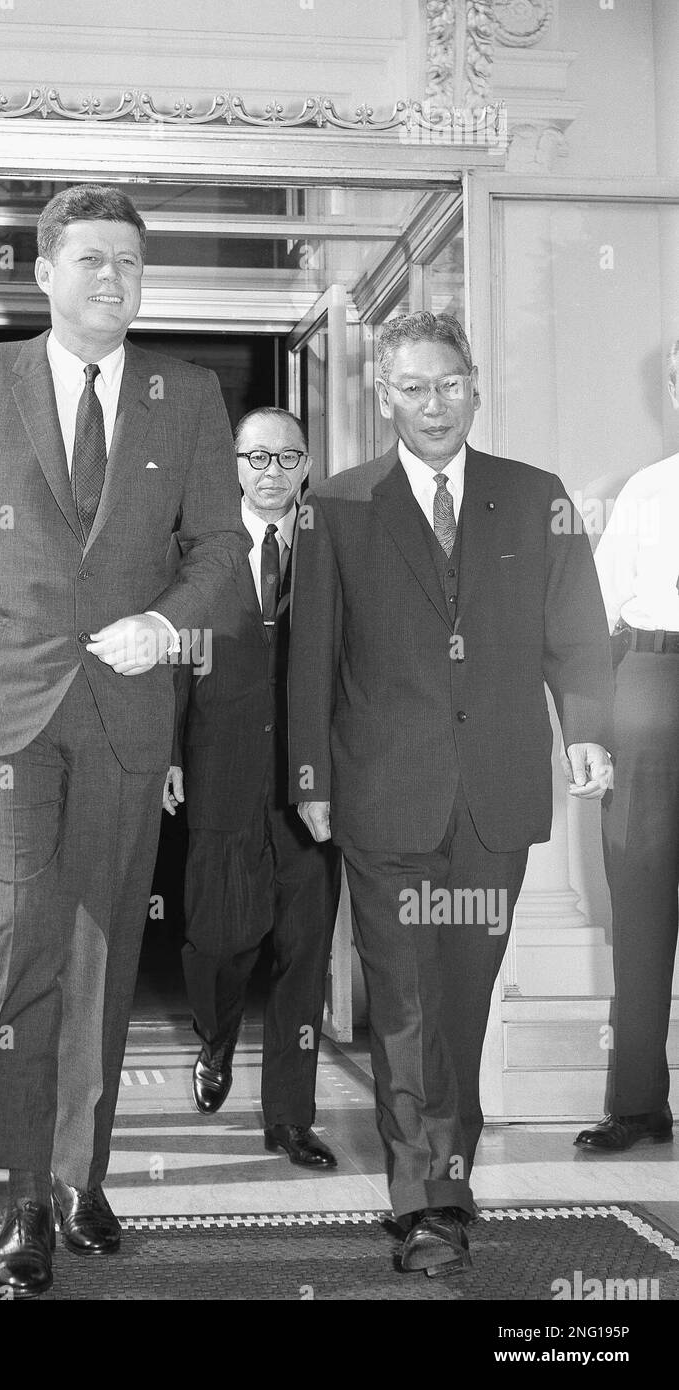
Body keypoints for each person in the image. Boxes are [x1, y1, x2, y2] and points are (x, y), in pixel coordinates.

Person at [0, 185, 248, 1299]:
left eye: (129, 263)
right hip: (4, 707)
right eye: (89, 259)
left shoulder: (184, 394)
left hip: (128, 709)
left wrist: (166, 623)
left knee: (99, 951)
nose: (111, 279)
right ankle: (28, 1193)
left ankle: (82, 1171)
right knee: (24, 935)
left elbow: (224, 553)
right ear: (42, 272)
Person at [288, 311, 614, 1277]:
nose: (434, 406)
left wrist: (587, 729)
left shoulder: (535, 497)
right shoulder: (337, 508)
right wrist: (311, 777)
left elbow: (579, 637)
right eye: (412, 389)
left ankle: (445, 1168)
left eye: (449, 385)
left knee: (462, 999)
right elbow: (313, 660)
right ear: (382, 395)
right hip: (382, 798)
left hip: (496, 798)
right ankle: (430, 1199)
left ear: (476, 384)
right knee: (404, 1001)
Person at [167, 407, 340, 1166]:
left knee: (303, 954)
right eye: (256, 457)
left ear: (306, 466)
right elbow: (167, 654)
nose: (272, 473)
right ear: (234, 464)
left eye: (287, 458)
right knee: (217, 944)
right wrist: (169, 752)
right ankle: (215, 1036)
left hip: (313, 786)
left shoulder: (333, 548)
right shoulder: (189, 550)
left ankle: (290, 1118)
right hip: (217, 774)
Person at [575, 339, 679, 1154]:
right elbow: (593, 622)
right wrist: (593, 735)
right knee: (640, 905)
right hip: (651, 681)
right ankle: (639, 1102)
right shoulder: (647, 492)